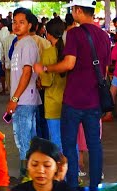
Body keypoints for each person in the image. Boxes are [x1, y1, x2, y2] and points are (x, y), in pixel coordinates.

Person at [34, 0, 111, 191]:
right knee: (95, 145)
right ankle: (95, 189)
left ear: (77, 10)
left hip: (74, 100)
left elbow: (69, 64)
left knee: (69, 145)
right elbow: (106, 69)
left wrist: (45, 68)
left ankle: (72, 188)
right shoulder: (104, 35)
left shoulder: (75, 33)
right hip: (94, 100)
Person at [7, 8, 42, 163]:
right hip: (24, 99)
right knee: (28, 139)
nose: (17, 25)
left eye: (21, 22)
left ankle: (26, 176)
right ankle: (29, 175)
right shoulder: (19, 44)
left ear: (29, 25)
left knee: (23, 141)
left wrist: (14, 98)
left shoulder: (27, 44)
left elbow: (27, 73)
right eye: (15, 22)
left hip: (24, 100)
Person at [40, 19, 68, 152]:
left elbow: (46, 82)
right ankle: (73, 168)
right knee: (69, 137)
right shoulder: (69, 52)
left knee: (56, 138)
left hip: (52, 101)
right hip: (68, 101)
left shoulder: (47, 53)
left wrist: (39, 77)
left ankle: (59, 169)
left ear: (49, 34)